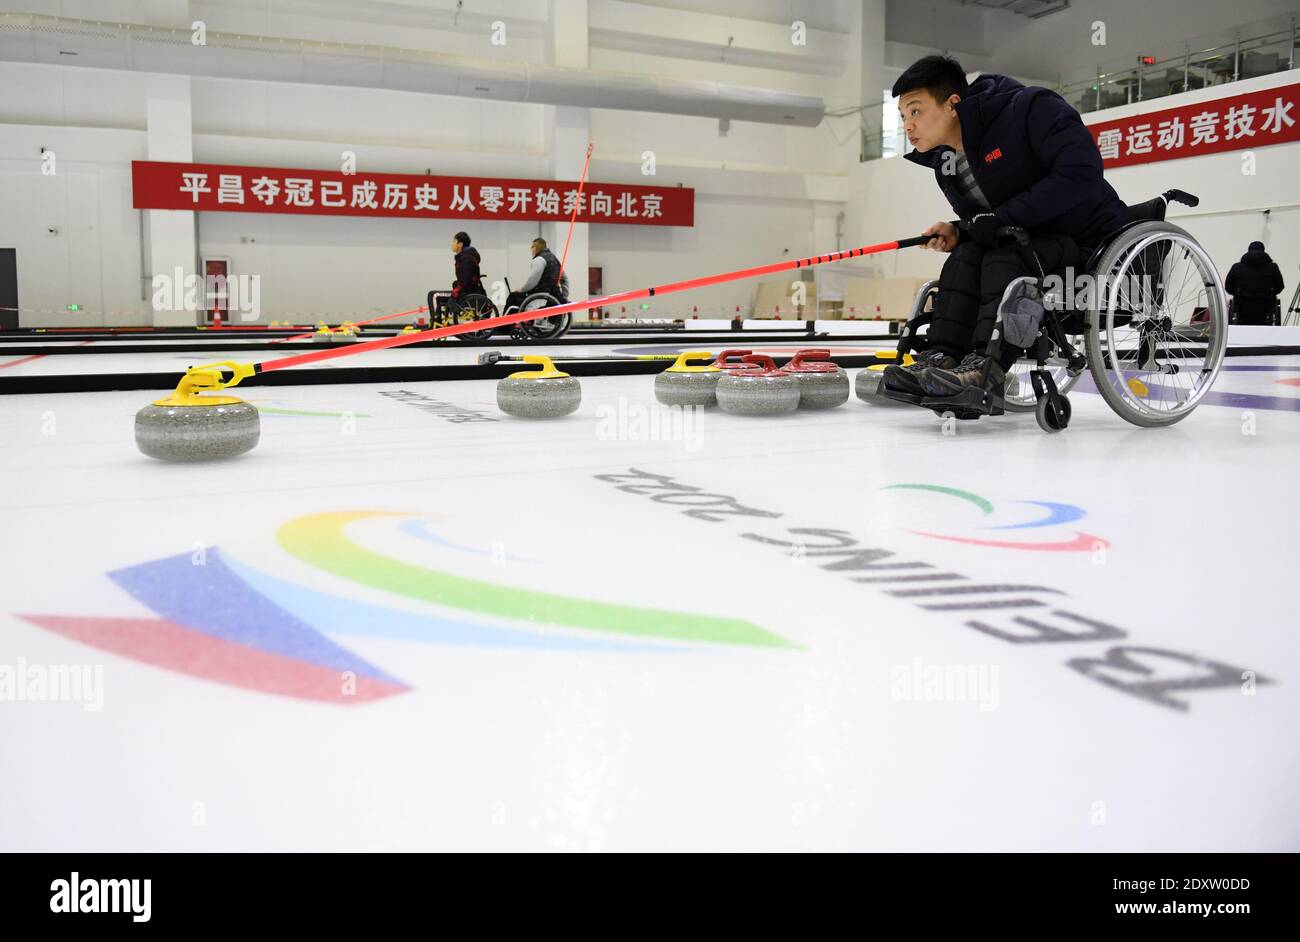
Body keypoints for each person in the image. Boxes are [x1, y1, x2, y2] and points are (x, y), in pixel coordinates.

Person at [880, 55, 1131, 409]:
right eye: (903, 117)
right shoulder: (947, 166)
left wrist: (999, 220)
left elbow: (1081, 172)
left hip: (1086, 242)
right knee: (966, 256)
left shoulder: (1029, 109)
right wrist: (960, 232)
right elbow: (989, 223)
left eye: (916, 111)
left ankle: (985, 366)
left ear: (953, 104)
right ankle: (943, 359)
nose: (908, 126)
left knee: (1004, 258)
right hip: (1028, 246)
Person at [1224, 241, 1284, 325]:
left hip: (1242, 309)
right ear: (1264, 251)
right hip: (1266, 308)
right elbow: (1280, 286)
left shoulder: (1237, 267)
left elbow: (1228, 287)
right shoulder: (1272, 267)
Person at [505, 237, 569, 312]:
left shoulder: (539, 260)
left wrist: (522, 289)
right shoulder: (554, 259)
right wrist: (564, 296)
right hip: (554, 294)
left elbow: (533, 281)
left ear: (536, 248)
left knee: (513, 296)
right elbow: (564, 279)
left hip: (540, 293)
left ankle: (505, 323)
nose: (531, 250)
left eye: (532, 247)